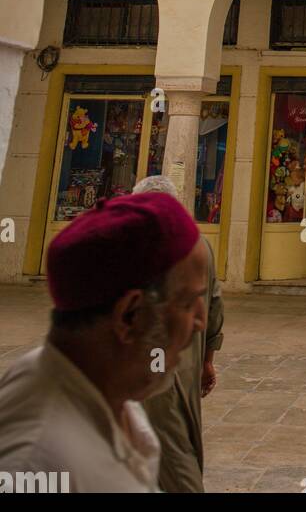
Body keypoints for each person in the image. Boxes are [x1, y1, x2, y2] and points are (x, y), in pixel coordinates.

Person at [0, 191, 207, 492]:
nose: (200, 321)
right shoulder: (36, 468)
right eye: (188, 303)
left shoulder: (111, 390)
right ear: (129, 316)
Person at [134, 175, 224, 492]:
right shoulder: (200, 243)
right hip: (184, 364)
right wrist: (207, 360)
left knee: (171, 450)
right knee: (179, 438)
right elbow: (214, 305)